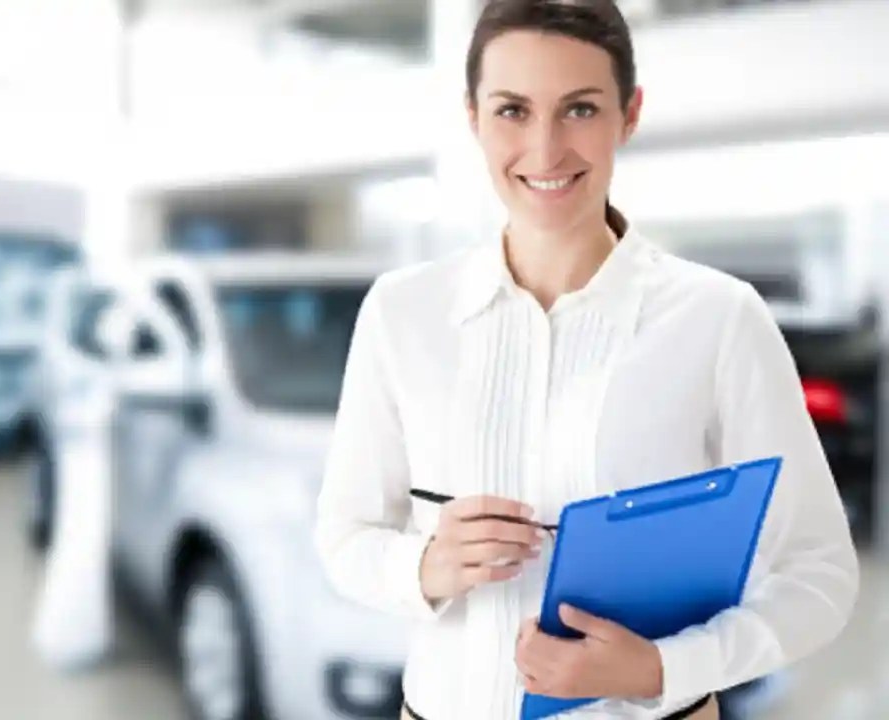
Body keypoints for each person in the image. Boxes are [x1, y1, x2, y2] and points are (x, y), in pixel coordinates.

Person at [312, 1, 859, 719]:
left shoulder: (720, 319)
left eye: (579, 109)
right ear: (472, 116)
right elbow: (344, 536)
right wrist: (424, 565)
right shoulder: (402, 312)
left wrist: (663, 667)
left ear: (628, 115)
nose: (544, 151)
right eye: (512, 110)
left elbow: (819, 575)